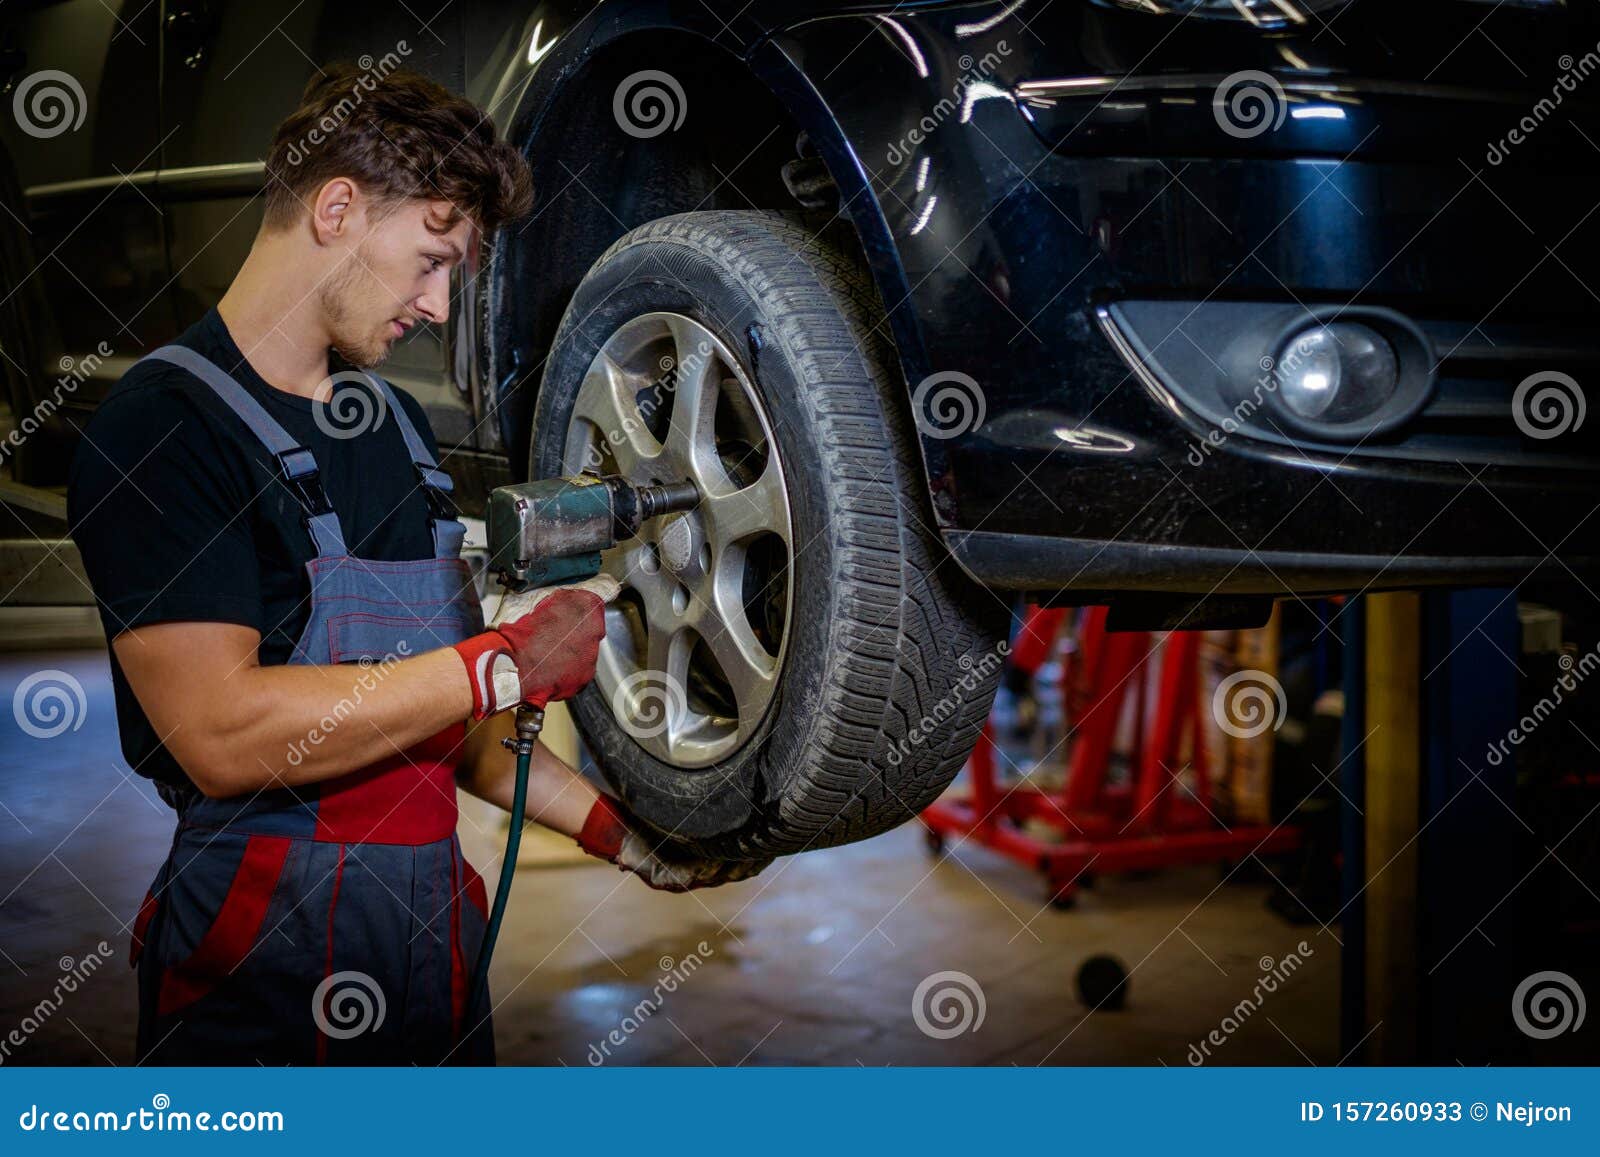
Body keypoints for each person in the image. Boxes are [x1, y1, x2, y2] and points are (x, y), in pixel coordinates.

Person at [66, 66, 761, 1067]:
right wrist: (500, 664)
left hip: (430, 940)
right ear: (337, 207)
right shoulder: (164, 429)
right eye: (431, 259)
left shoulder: (394, 427)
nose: (439, 305)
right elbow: (220, 731)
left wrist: (618, 832)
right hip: (261, 951)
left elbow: (456, 736)